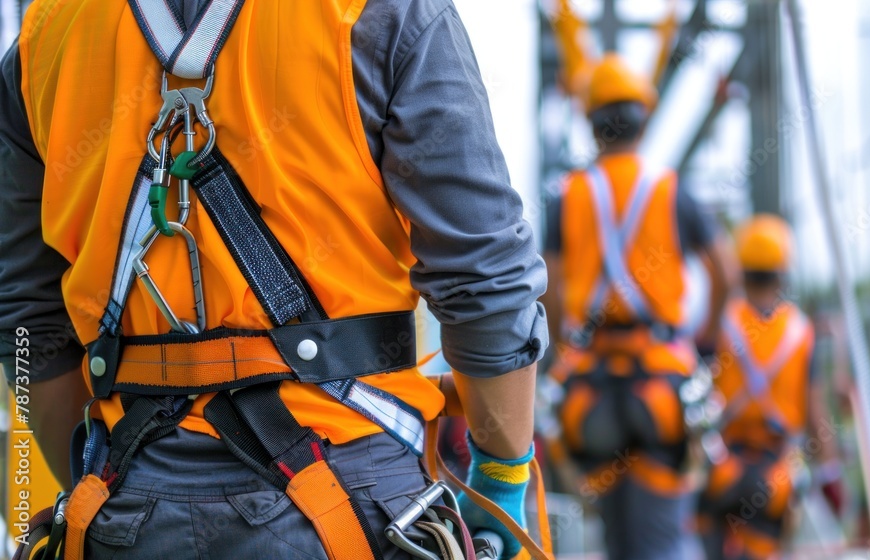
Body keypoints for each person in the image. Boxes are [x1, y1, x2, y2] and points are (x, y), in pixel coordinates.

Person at [0, 1, 547, 558]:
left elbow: (26, 322)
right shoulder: (379, 11)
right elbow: (482, 272)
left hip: (126, 507)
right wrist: (502, 472)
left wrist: (100, 468)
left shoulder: (45, 33)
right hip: (347, 503)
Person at [541, 54, 733, 560]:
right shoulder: (671, 191)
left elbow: (550, 291)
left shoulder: (569, 196)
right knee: (664, 534)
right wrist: (707, 341)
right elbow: (725, 272)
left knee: (615, 535)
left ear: (591, 124)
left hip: (591, 391)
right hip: (661, 386)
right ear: (644, 119)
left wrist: (567, 351)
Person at [697, 214, 842, 560]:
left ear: (741, 268)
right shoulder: (800, 332)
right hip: (775, 476)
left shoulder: (721, 324)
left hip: (722, 469)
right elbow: (815, 413)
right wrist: (830, 472)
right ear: (783, 272)